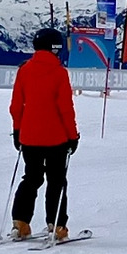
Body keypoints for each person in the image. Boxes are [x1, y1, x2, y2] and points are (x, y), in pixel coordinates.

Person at [9, 28, 79, 241]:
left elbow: (16, 106)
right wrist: (72, 136)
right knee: (57, 180)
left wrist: (17, 131)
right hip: (56, 138)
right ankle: (57, 225)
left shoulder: (24, 70)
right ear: (55, 48)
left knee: (31, 178)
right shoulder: (59, 73)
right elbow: (65, 109)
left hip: (29, 137)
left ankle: (20, 223)